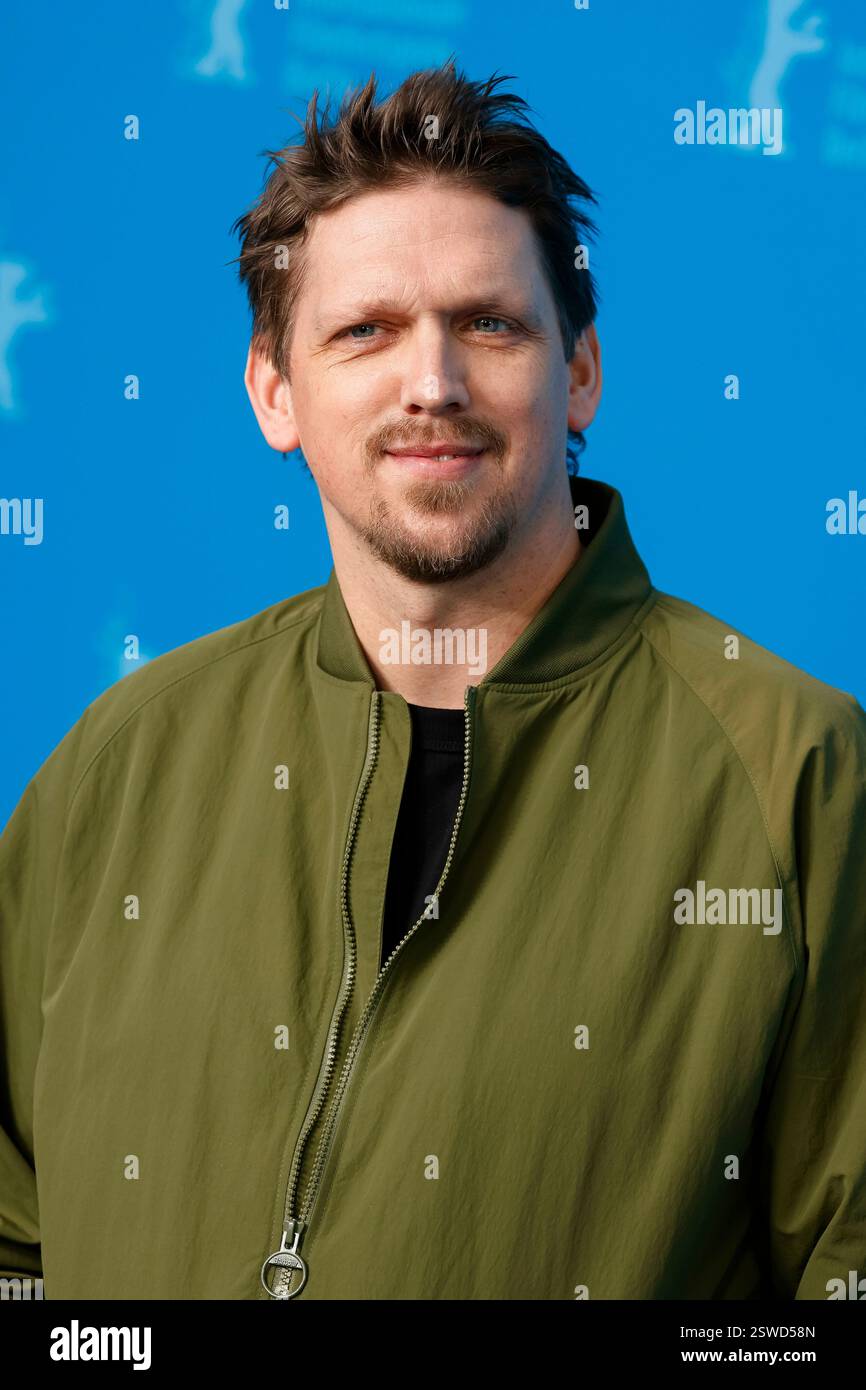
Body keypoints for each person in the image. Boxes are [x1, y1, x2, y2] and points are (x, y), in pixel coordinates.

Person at [1, 58, 864, 1302]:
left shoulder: (796, 773)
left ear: (578, 374)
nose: (431, 385)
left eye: (489, 323)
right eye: (364, 331)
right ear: (274, 394)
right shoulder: (120, 761)